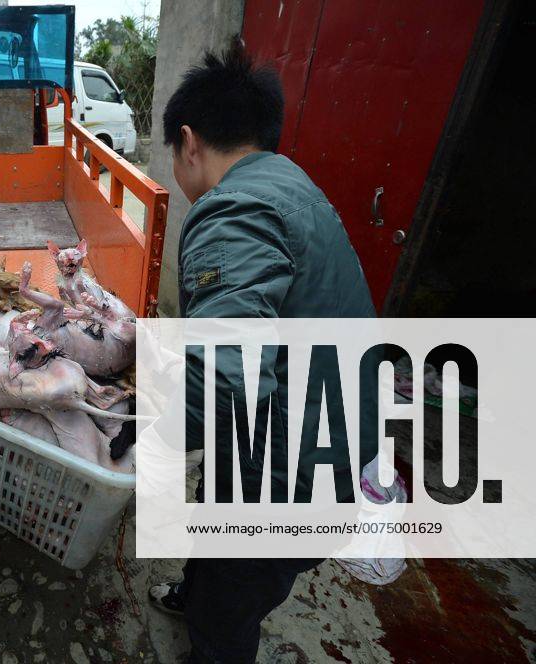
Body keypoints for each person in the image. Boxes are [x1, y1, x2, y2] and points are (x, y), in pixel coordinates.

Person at [147, 38, 375, 663]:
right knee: (219, 544)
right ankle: (196, 595)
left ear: (189, 141)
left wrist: (150, 440)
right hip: (334, 442)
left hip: (289, 476)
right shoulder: (290, 182)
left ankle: (212, 631)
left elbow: (227, 373)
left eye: (173, 153)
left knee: (230, 610)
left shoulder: (235, 210)